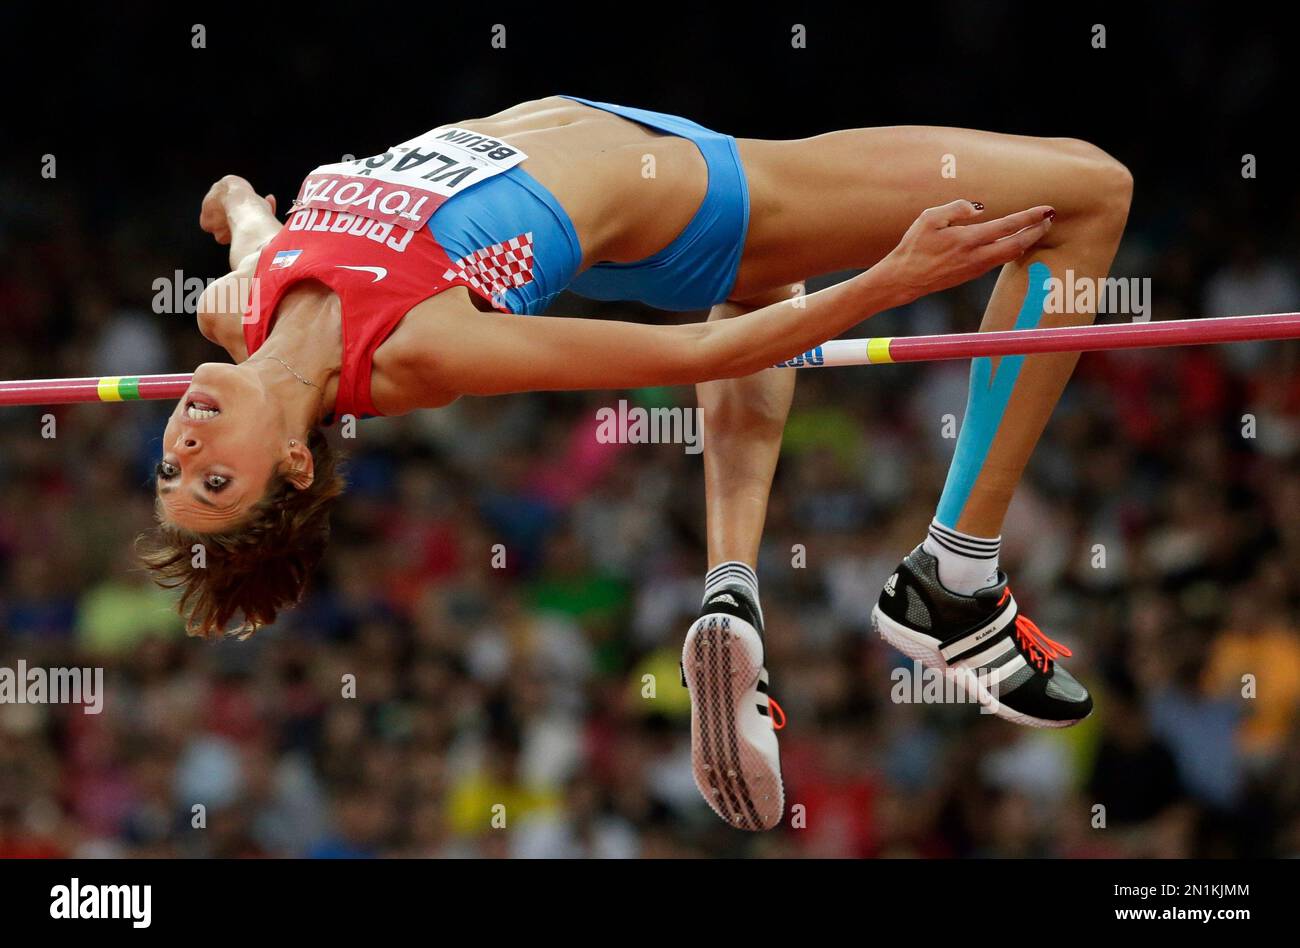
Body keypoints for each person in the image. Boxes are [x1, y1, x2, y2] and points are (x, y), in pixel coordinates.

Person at [140, 95, 1131, 831]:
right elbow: (695, 356)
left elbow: (255, 226)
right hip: (709, 198)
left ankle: (733, 584)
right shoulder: (409, 355)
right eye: (216, 483)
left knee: (759, 288)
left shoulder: (243, 307)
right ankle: (953, 578)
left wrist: (234, 206)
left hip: (641, 144)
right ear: (292, 463)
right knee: (1088, 190)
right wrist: (889, 282)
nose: (182, 453)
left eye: (173, 475)